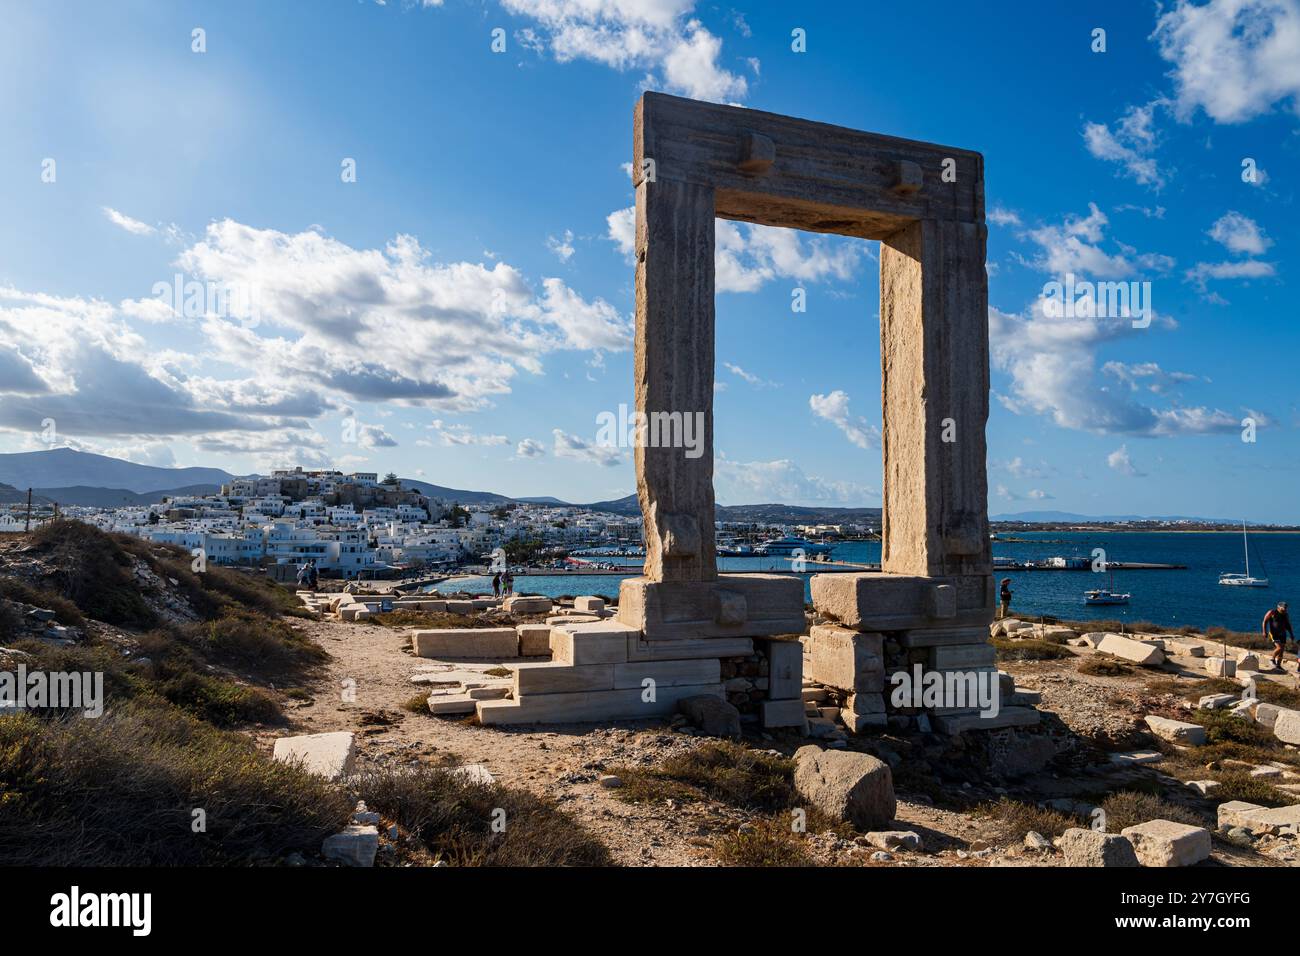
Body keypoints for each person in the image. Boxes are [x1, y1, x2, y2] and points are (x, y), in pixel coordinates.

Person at [1263, 601, 1294, 671]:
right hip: (1274, 633)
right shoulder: (1272, 612)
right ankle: (1272, 659)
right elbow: (1265, 621)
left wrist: (1291, 634)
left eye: (1286, 608)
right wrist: (1264, 631)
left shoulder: (1286, 615)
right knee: (1279, 648)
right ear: (1279, 607)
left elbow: (1288, 625)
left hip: (1283, 634)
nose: (1285, 609)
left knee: (1282, 651)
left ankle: (1278, 665)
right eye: (1283, 608)